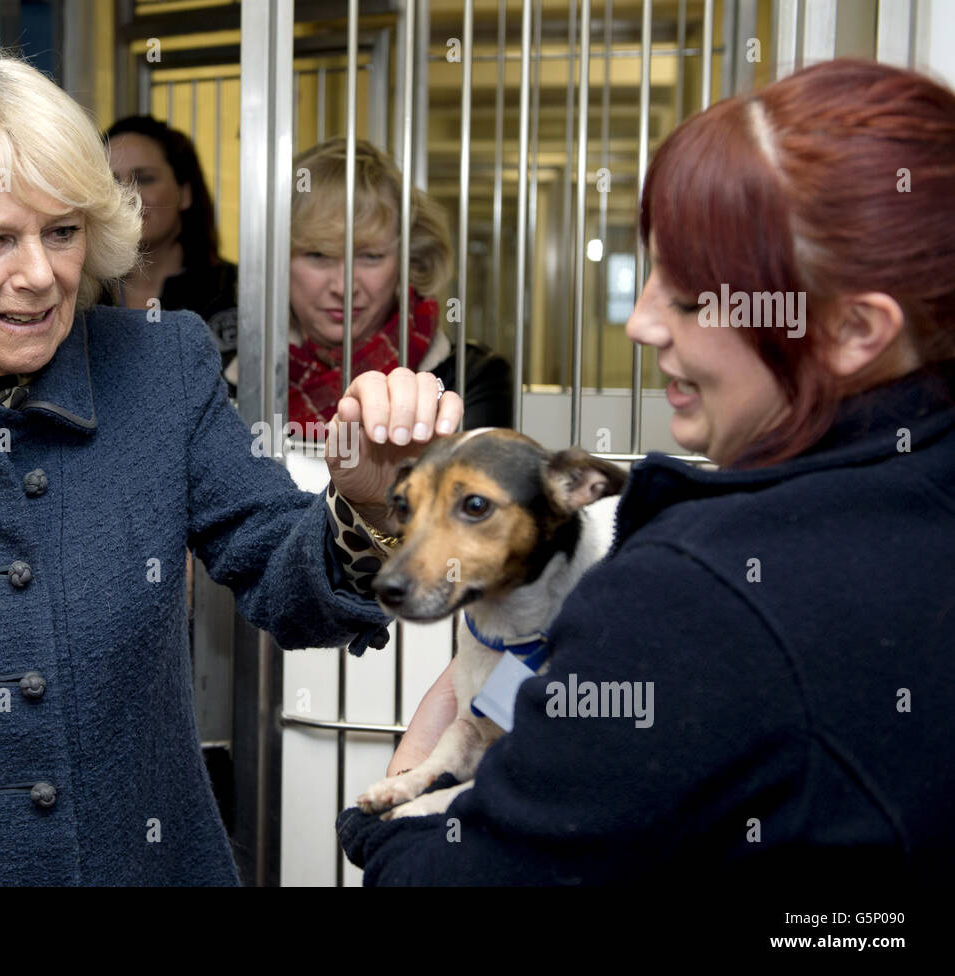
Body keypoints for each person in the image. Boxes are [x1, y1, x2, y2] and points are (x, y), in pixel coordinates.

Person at [0, 52, 459, 886]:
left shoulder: (160, 367)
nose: (42, 276)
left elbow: (284, 574)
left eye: (63, 231)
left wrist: (364, 502)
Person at [338, 58, 955, 885]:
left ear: (853, 329)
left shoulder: (701, 595)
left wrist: (384, 828)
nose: (639, 322)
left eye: (695, 298)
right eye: (651, 269)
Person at [224, 138, 512, 433]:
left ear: (408, 261)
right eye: (318, 255)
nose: (344, 287)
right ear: (276, 262)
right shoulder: (217, 380)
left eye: (370, 256)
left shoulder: (468, 379)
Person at [103, 115, 239, 366]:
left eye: (144, 178)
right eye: (111, 182)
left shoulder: (235, 291)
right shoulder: (78, 293)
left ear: (185, 193)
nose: (127, 195)